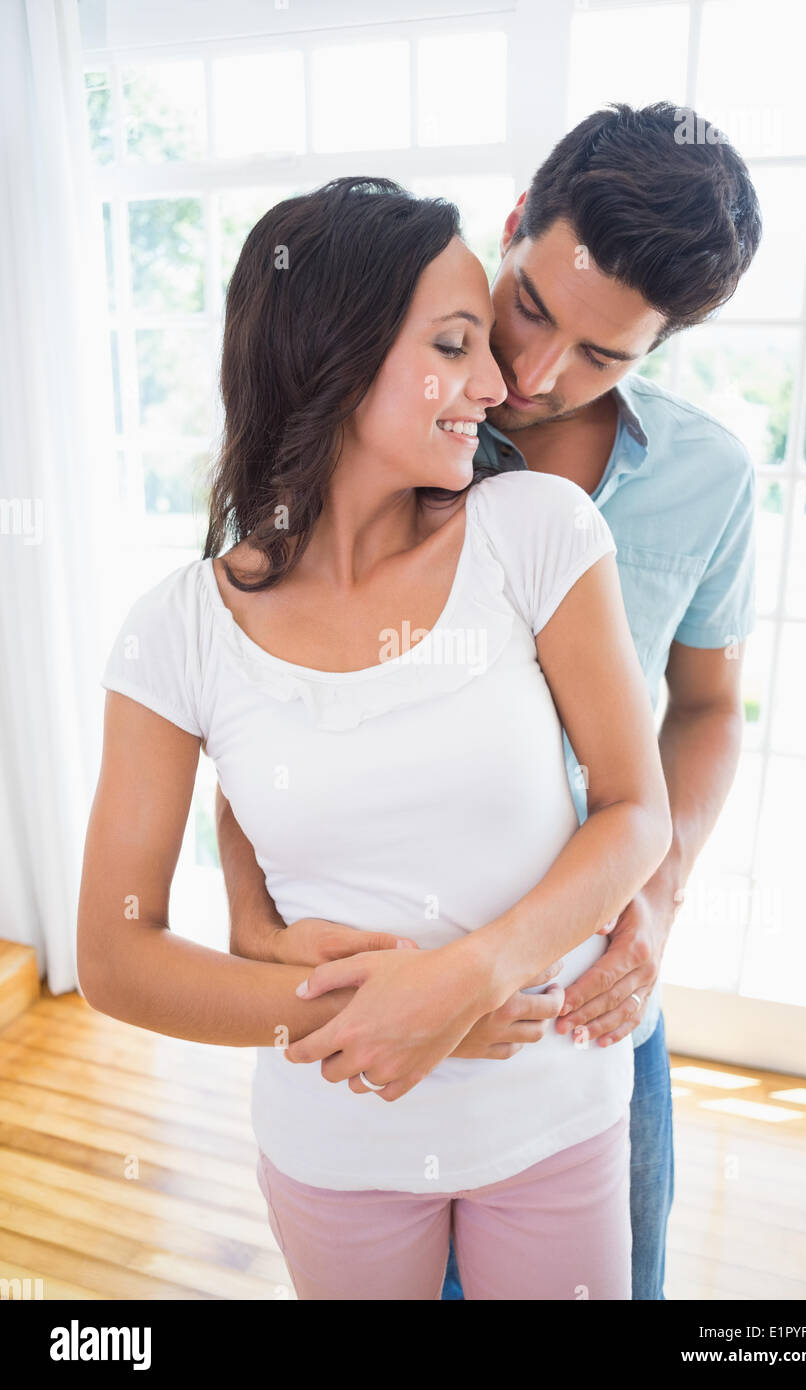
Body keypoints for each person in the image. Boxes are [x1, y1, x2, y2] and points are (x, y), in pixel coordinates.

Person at [78, 175, 673, 1300]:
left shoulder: (535, 535)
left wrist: (464, 978)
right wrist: (374, 1019)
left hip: (554, 1112)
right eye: (457, 346)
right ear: (335, 357)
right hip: (336, 1146)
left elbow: (634, 809)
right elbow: (117, 955)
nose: (498, 386)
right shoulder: (177, 633)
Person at [218, 103, 762, 1301]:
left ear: (662, 346)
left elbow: (710, 705)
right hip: (385, 975)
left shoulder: (708, 479)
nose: (532, 375)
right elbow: (252, 695)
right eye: (528, 307)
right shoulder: (369, 439)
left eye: (603, 355)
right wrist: (252, 926)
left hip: (586, 980)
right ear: (512, 225)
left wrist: (655, 902)